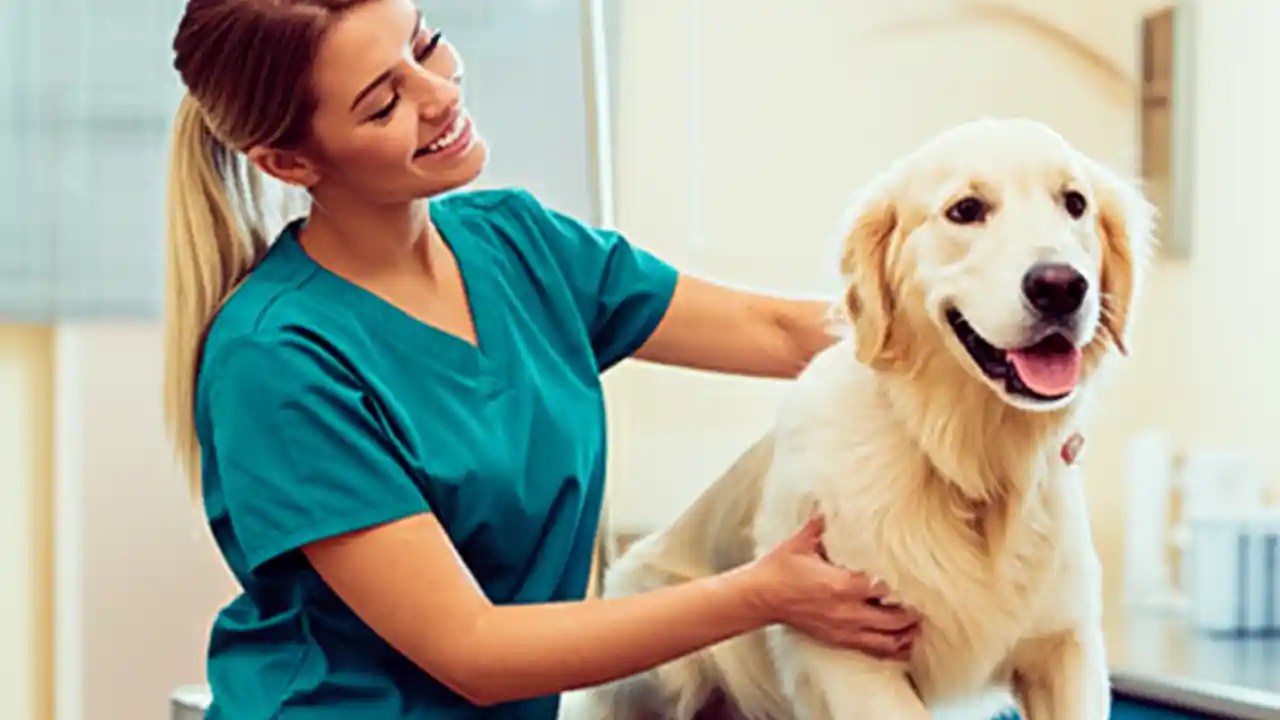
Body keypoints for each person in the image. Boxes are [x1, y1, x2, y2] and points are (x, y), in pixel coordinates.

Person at [162, 1, 920, 718]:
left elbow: (779, 332)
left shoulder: (516, 243)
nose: (438, 93)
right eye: (382, 103)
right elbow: (474, 650)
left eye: (424, 43)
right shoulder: (278, 361)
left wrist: (999, 371)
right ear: (290, 163)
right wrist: (763, 593)